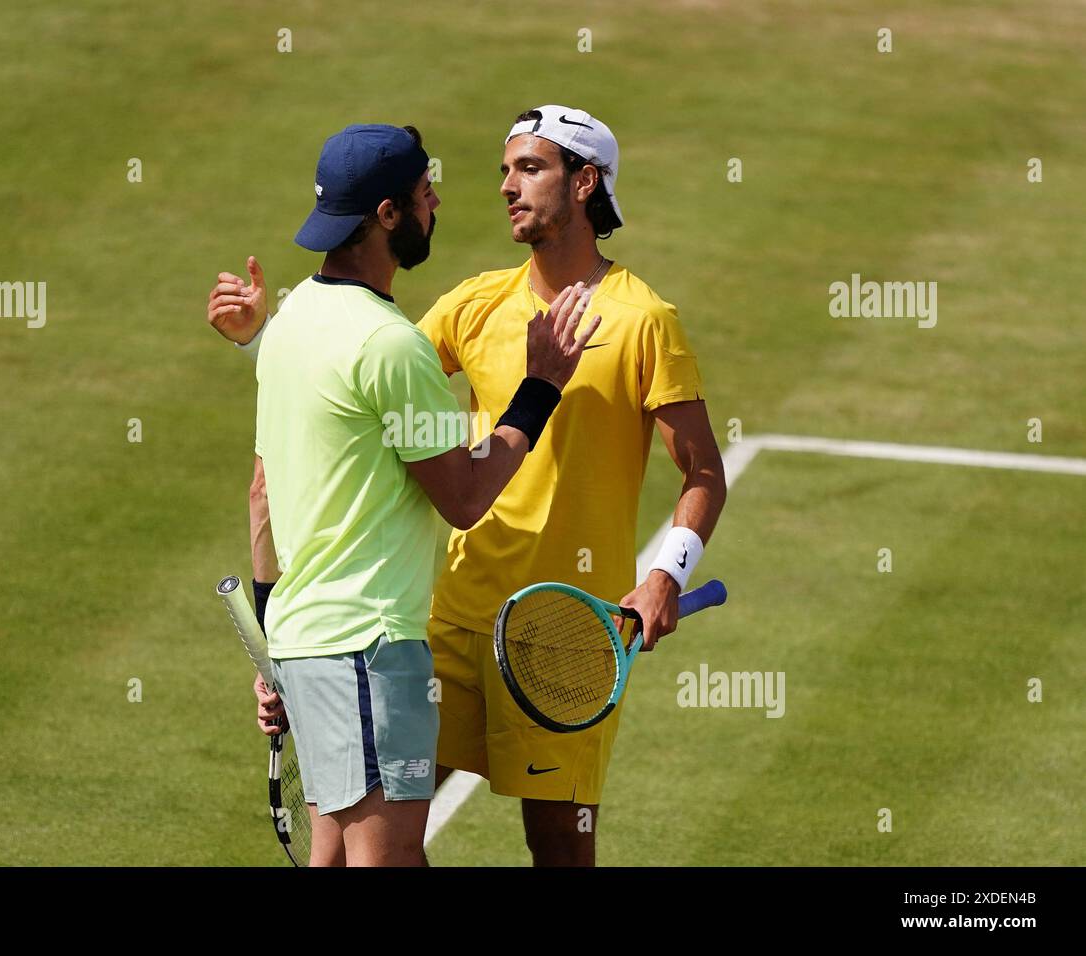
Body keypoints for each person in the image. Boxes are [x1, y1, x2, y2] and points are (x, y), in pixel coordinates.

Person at [212, 106, 726, 866]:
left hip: (565, 636)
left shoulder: (645, 321)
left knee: (558, 851)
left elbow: (703, 471)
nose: (506, 187)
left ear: (585, 183)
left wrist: (663, 574)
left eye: (529, 168)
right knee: (376, 843)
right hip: (444, 622)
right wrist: (270, 340)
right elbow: (359, 382)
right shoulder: (476, 303)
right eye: (504, 170)